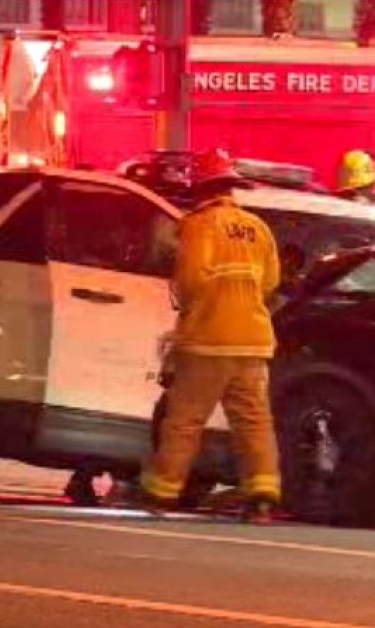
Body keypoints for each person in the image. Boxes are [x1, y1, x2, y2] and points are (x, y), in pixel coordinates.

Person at [137, 148, 283, 523]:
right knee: (253, 421)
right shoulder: (258, 228)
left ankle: (162, 493)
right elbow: (270, 282)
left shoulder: (199, 225)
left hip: (208, 340)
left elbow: (191, 281)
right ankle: (263, 497)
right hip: (253, 340)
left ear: (200, 187)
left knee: (184, 420)